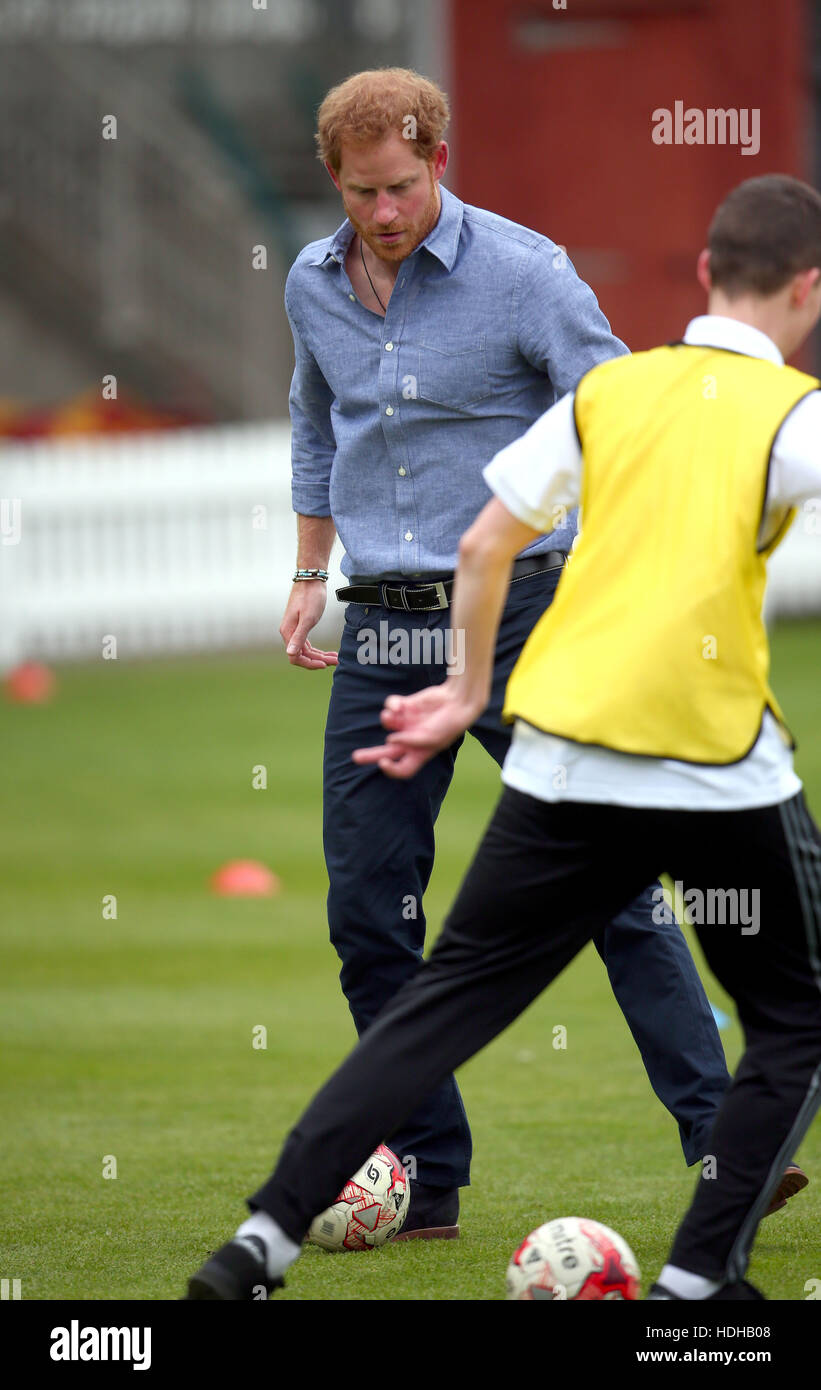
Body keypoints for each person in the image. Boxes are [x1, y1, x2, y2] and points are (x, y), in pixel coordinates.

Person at [186, 171, 821, 1301]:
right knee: (796, 1015)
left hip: (560, 739)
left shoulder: (605, 397)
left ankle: (259, 1244)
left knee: (446, 998)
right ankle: (692, 1281)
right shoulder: (791, 415)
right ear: (808, 291)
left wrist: (466, 689)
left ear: (700, 276)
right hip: (710, 757)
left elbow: (482, 546)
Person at [274, 66, 736, 1239]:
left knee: (610, 884)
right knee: (368, 913)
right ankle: (429, 1175)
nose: (385, 212)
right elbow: (313, 414)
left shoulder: (525, 274)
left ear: (437, 159)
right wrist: (304, 568)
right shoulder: (309, 286)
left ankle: (723, 1135)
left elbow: (615, 410)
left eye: (403, 185)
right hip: (380, 627)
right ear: (333, 180)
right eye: (362, 192)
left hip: (529, 613)